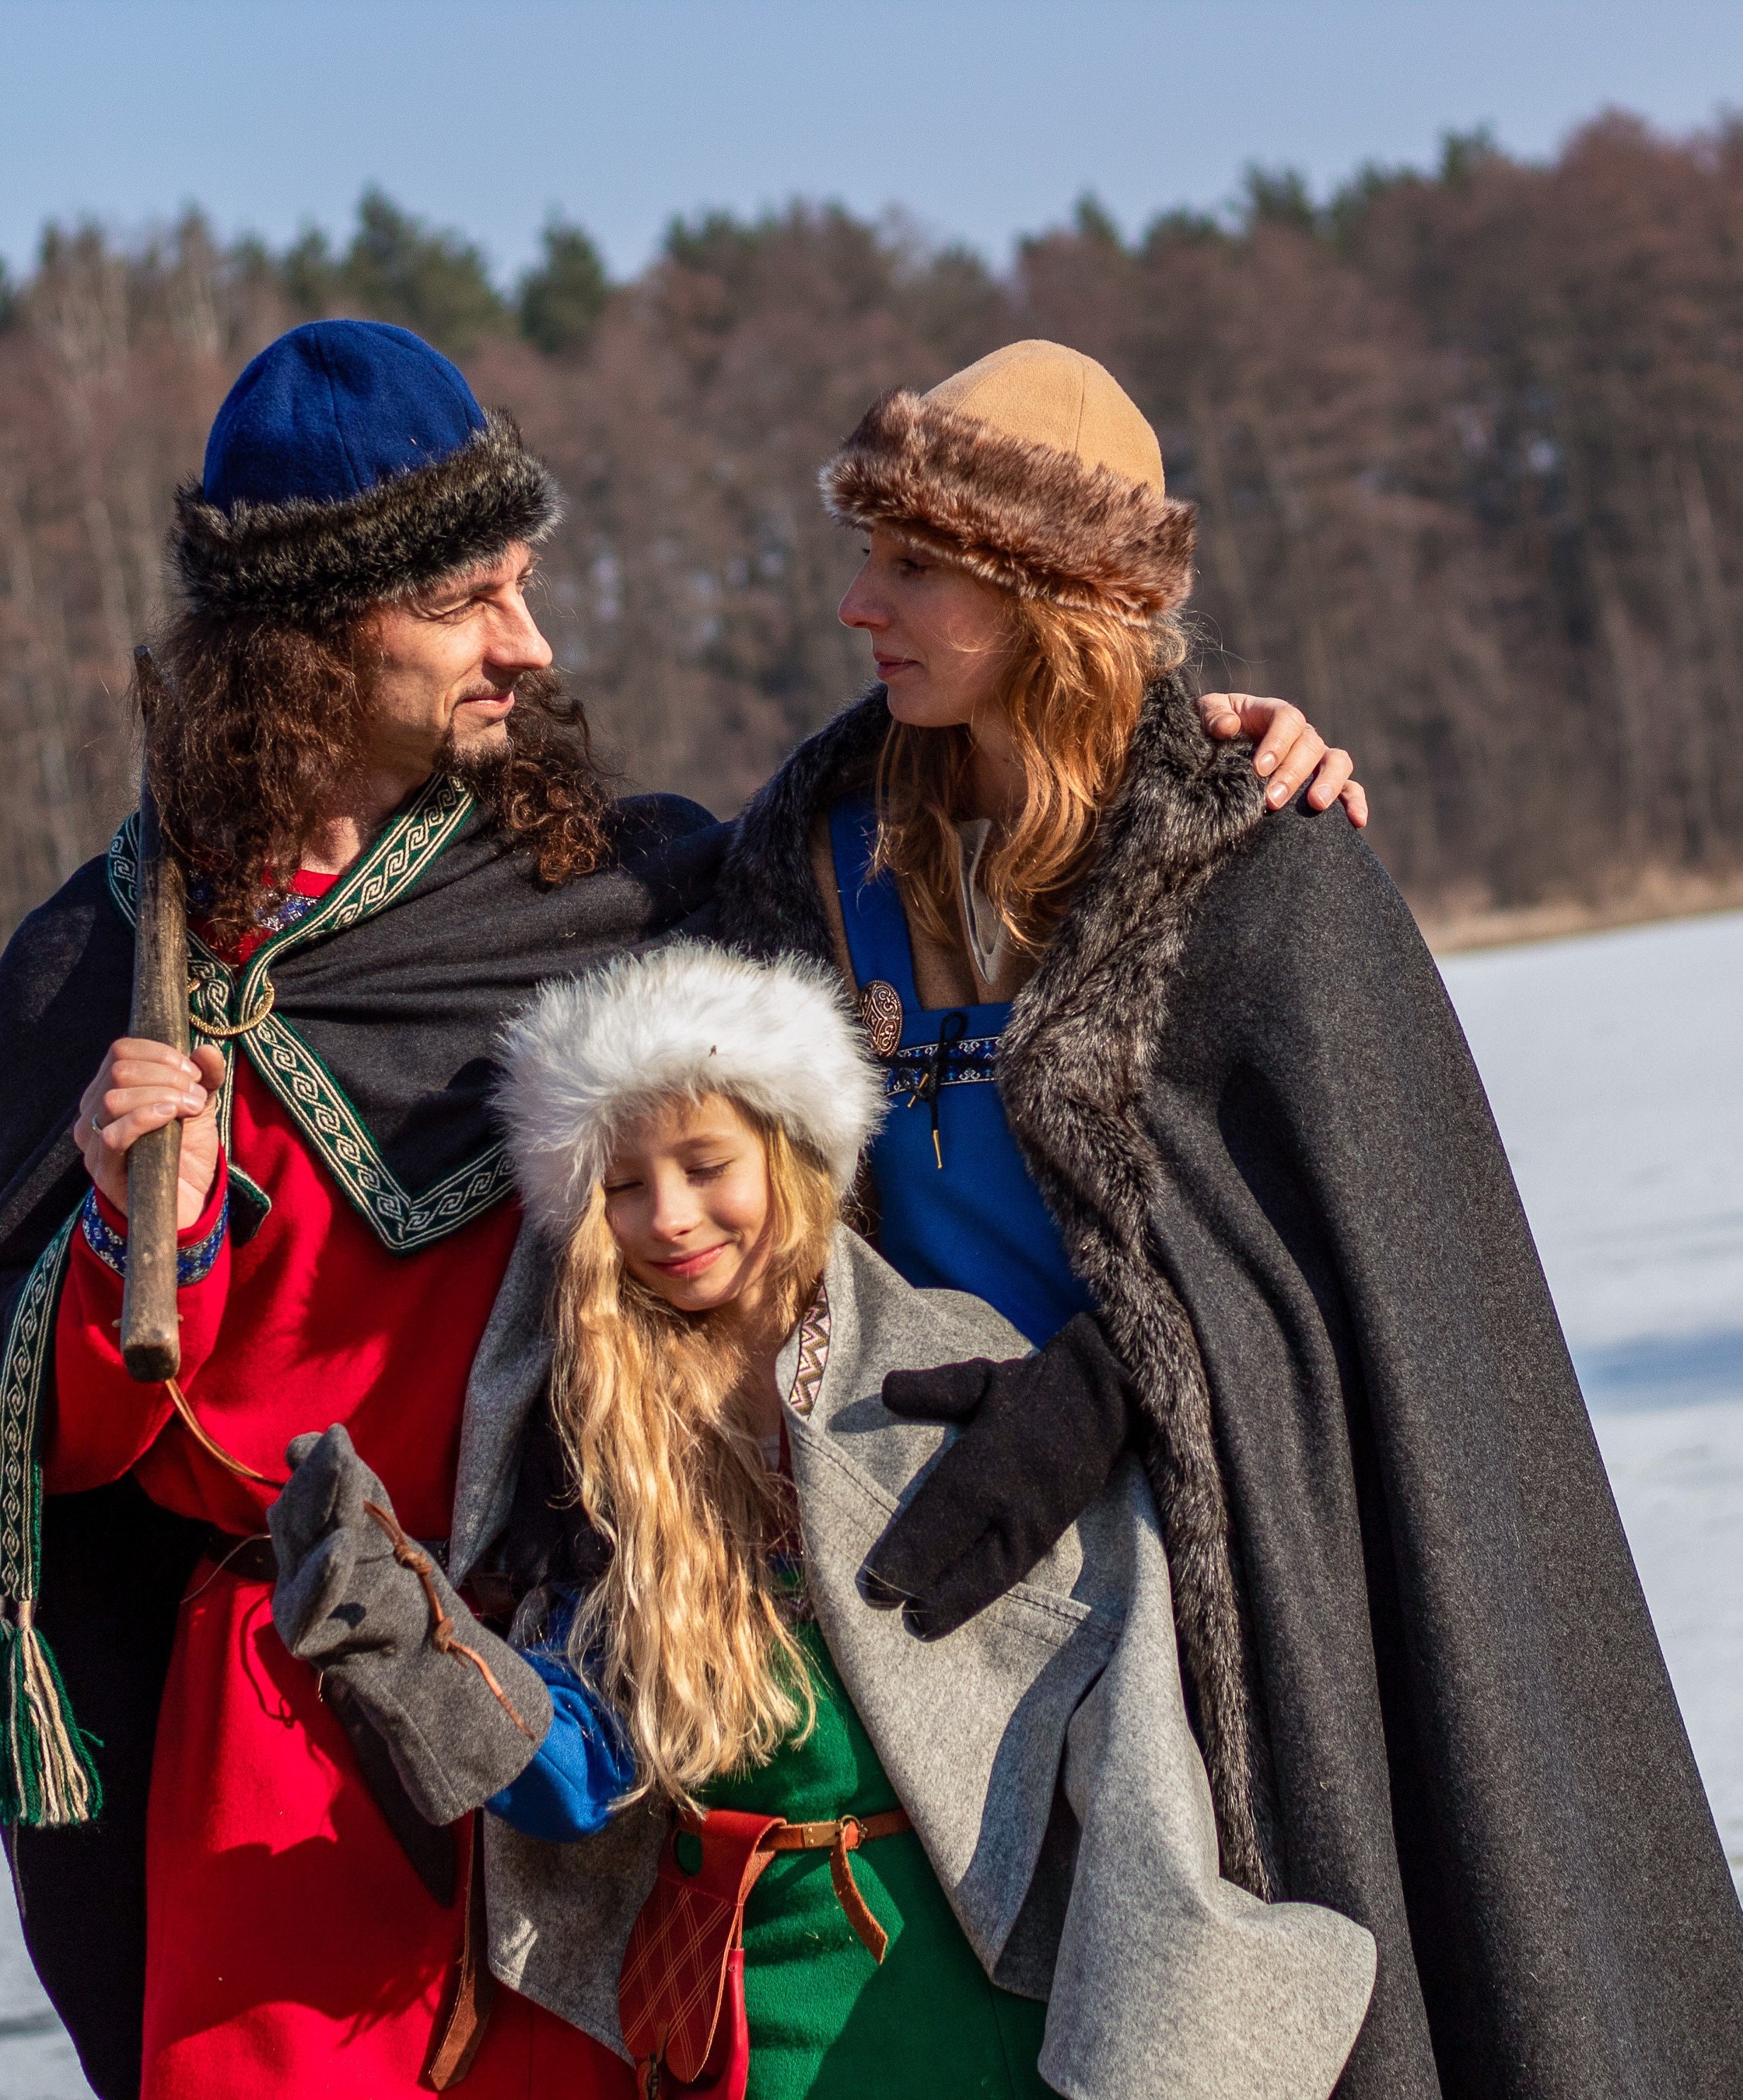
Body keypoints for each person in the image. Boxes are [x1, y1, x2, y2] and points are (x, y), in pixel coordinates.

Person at [0, 318, 1368, 2100]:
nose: (526, 644)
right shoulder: (95, 967)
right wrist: (152, 1225)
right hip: (303, 1746)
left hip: (602, 1676)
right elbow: (50, 1458)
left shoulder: (613, 889)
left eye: (523, 585)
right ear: (316, 630)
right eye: (468, 601)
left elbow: (922, 818)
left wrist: (1181, 753)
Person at [708, 338, 1743, 2096]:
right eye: (868, 552)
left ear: (1049, 596)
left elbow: (1377, 1302)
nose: (858, 603)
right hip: (948, 1593)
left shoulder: (1264, 860)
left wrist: (1126, 1377)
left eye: (912, 566)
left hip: (1248, 1583)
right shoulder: (808, 862)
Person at [268, 942, 1378, 2100]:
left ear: (789, 1156)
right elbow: (584, 1778)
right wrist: (417, 1654)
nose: (671, 1216)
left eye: (706, 1165)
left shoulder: (945, 1378)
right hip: (735, 2019)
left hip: (962, 1988)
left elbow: (1120, 1719)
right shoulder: (610, 1449)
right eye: (625, 1185)